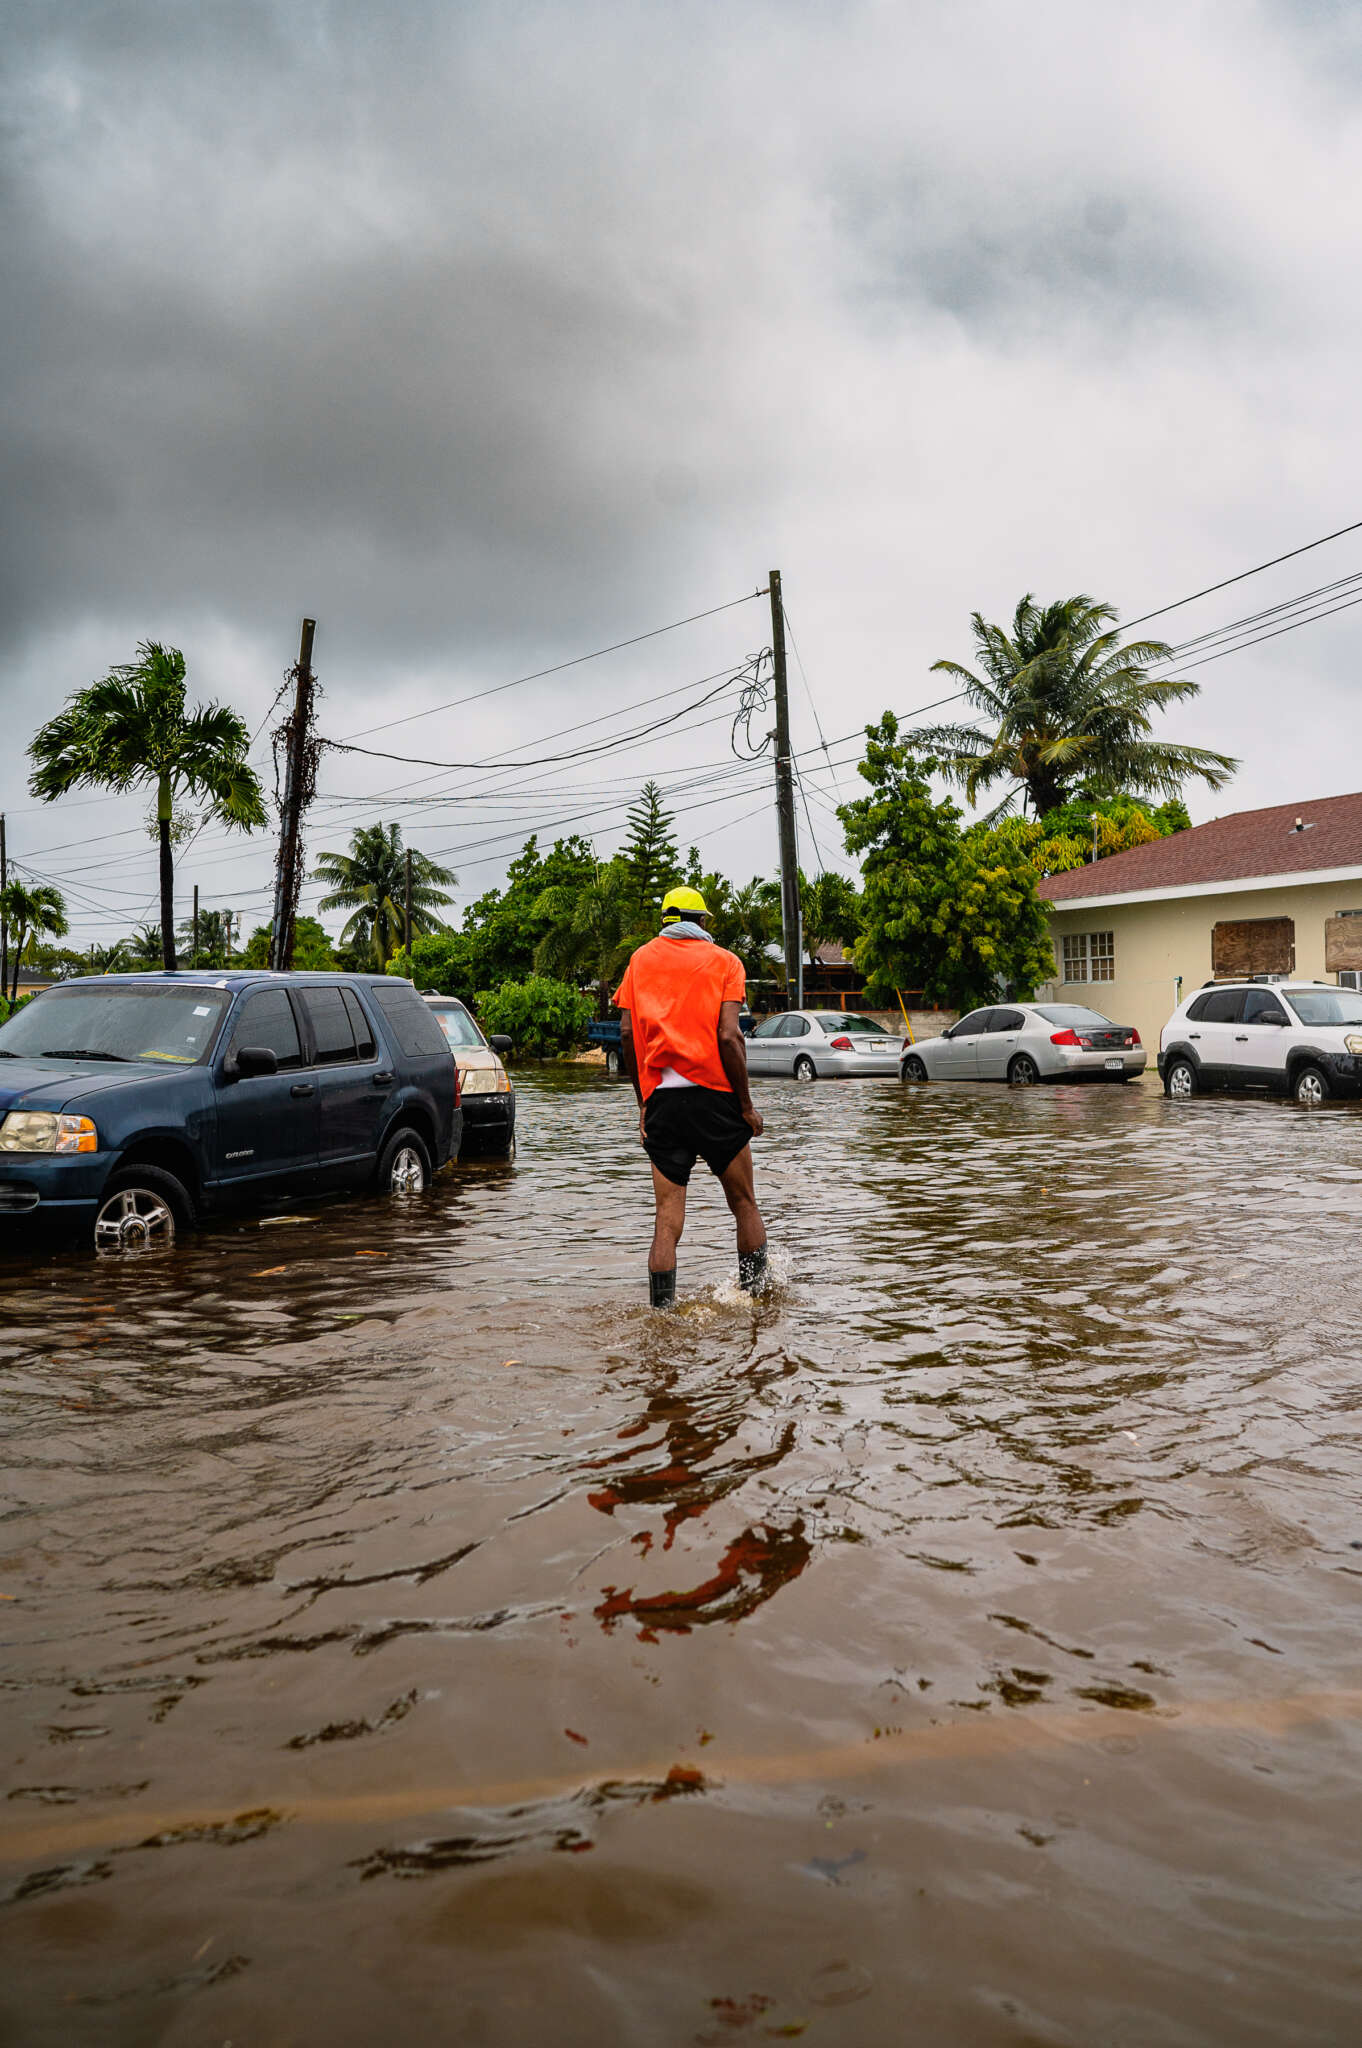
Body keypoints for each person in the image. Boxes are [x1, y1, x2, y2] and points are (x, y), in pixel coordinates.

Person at [614, 885, 769, 1309]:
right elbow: (729, 1035)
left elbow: (627, 1033)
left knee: (666, 1220)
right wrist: (746, 1106)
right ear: (701, 922)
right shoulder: (726, 962)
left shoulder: (639, 960)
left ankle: (661, 1316)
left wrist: (644, 1101)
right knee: (744, 1204)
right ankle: (757, 1304)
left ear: (666, 921)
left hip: (663, 1099)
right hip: (718, 1099)